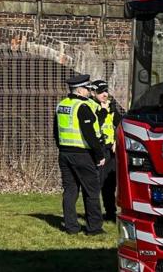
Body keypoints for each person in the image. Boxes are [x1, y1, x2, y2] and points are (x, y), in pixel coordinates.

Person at [55, 74, 105, 235]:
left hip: (64, 153)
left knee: (70, 190)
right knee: (91, 191)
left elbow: (56, 131)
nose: (89, 91)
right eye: (87, 88)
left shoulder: (62, 105)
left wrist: (62, 148)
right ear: (79, 90)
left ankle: (71, 227)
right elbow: (89, 134)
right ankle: (94, 228)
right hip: (82, 154)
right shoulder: (82, 107)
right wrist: (99, 155)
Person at [92, 79, 123, 222]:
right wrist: (103, 111)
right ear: (93, 93)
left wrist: (116, 141)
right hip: (99, 150)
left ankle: (111, 213)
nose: (105, 94)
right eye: (101, 92)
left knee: (110, 184)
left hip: (111, 149)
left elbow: (119, 124)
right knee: (97, 184)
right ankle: (94, 215)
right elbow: (95, 124)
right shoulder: (91, 106)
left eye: (106, 91)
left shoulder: (111, 106)